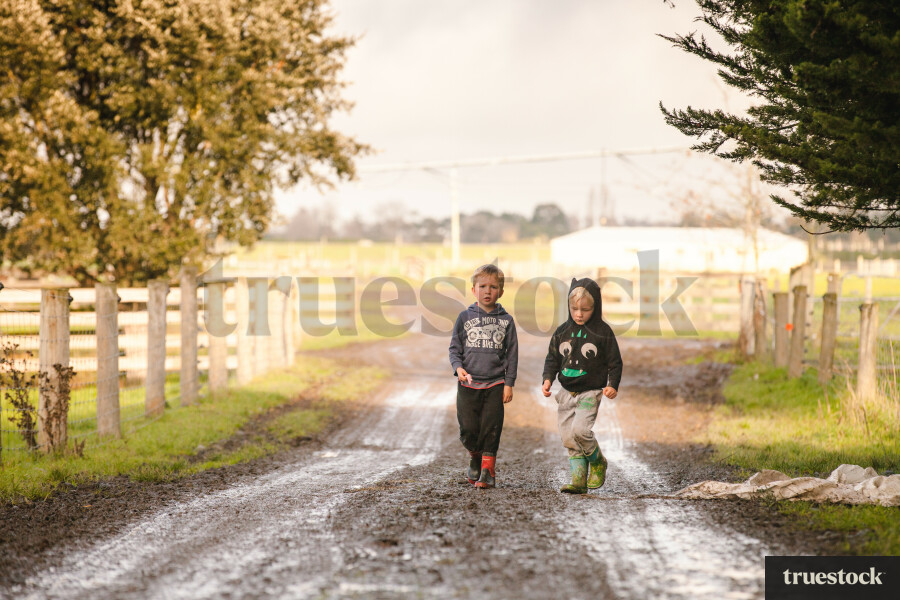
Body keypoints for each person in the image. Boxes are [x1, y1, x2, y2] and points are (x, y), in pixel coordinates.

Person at [542, 277, 622, 494]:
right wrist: (548, 378)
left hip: (590, 391)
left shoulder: (602, 332)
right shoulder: (562, 331)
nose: (578, 314)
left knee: (580, 430)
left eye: (585, 309)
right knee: (568, 436)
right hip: (566, 392)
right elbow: (552, 358)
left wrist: (612, 384)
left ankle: (597, 461)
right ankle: (578, 481)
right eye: (574, 308)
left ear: (595, 307)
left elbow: (615, 361)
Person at [449, 264, 518, 489]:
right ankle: (475, 456)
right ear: (473, 290)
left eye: (493, 287)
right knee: (468, 428)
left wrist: (508, 384)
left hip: (495, 383)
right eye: (482, 286)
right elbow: (454, 348)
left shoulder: (506, 320)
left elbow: (512, 354)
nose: (487, 291)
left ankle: (488, 471)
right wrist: (458, 368)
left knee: (491, 426)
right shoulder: (464, 317)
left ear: (501, 292)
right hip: (468, 383)